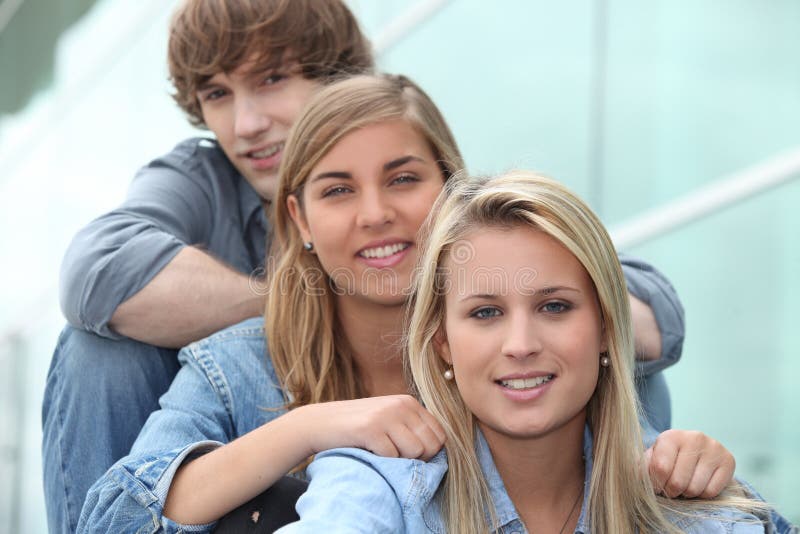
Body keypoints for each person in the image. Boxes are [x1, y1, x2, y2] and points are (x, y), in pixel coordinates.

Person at [78, 74, 741, 533]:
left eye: (403, 179)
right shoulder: (240, 365)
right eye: (338, 191)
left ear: (452, 187)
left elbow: (634, 316)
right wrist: (312, 427)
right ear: (299, 220)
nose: (377, 214)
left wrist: (682, 462)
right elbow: (112, 518)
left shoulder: (521, 348)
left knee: (634, 381)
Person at [276, 170, 778, 533]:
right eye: (486, 313)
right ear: (443, 343)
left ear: (606, 328)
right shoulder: (376, 488)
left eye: (555, 306)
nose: (521, 346)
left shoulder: (698, 506)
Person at [42, 1, 374, 532]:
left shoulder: (397, 160)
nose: (245, 125)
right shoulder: (202, 176)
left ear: (337, 76)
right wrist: (308, 308)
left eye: (271, 78)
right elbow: (96, 269)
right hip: (217, 478)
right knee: (99, 351)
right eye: (217, 94)